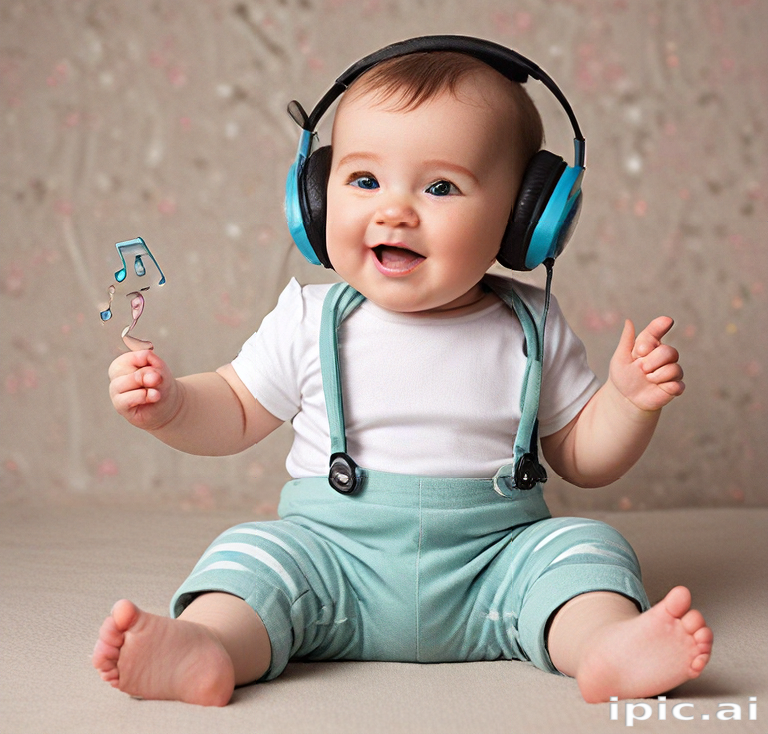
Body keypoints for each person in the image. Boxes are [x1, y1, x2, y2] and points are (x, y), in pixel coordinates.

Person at [92, 38, 712, 707]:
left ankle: (603, 648)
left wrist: (627, 401)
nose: (394, 210)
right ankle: (208, 648)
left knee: (585, 547)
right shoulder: (310, 316)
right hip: (331, 563)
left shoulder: (531, 323)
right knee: (251, 557)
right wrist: (173, 405)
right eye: (364, 180)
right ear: (315, 198)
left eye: (440, 186)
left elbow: (583, 459)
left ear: (525, 221)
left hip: (494, 566)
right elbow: (237, 410)